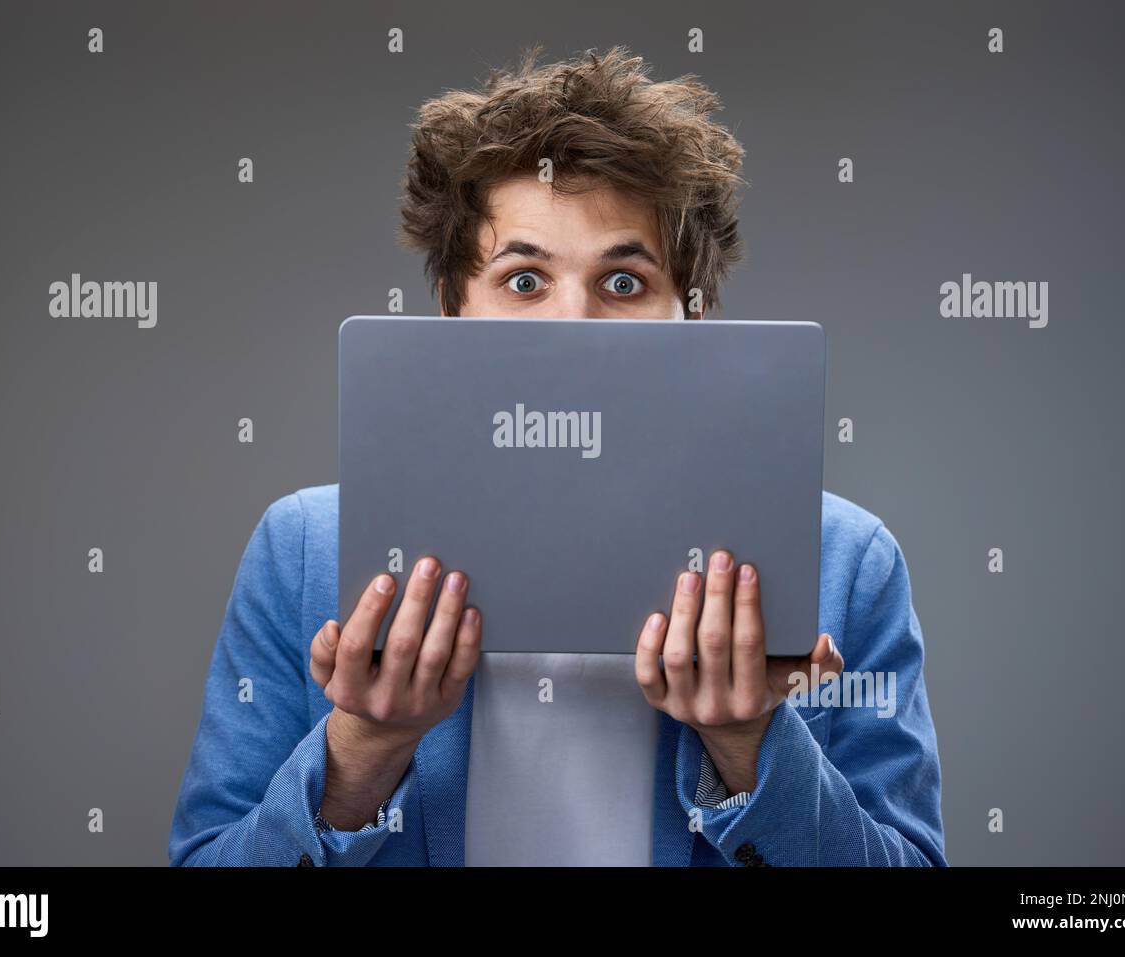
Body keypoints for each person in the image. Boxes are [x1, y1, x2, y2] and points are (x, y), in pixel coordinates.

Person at [169, 46, 946, 867]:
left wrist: (750, 742)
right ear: (450, 310)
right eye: (524, 279)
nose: (571, 323)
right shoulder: (302, 549)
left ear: (696, 314)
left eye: (622, 283)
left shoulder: (845, 563)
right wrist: (362, 745)